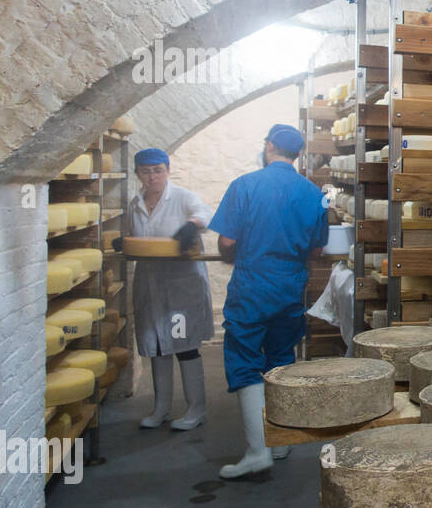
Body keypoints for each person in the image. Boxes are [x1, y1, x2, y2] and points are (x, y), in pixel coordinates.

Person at [209, 124, 329, 479]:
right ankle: (280, 441)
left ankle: (257, 451)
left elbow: (228, 243)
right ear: (298, 154)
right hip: (290, 284)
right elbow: (318, 249)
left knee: (245, 358)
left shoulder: (244, 185)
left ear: (269, 147)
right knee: (280, 358)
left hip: (253, 283)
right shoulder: (313, 193)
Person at [116, 148, 214, 430]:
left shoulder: (182, 196)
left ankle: (197, 409)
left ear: (167, 171)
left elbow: (203, 215)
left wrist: (191, 226)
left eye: (158, 170)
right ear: (138, 174)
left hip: (182, 287)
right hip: (150, 284)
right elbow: (135, 236)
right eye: (146, 171)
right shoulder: (135, 204)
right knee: (157, 346)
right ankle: (162, 409)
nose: (152, 176)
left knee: (185, 346)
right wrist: (125, 242)